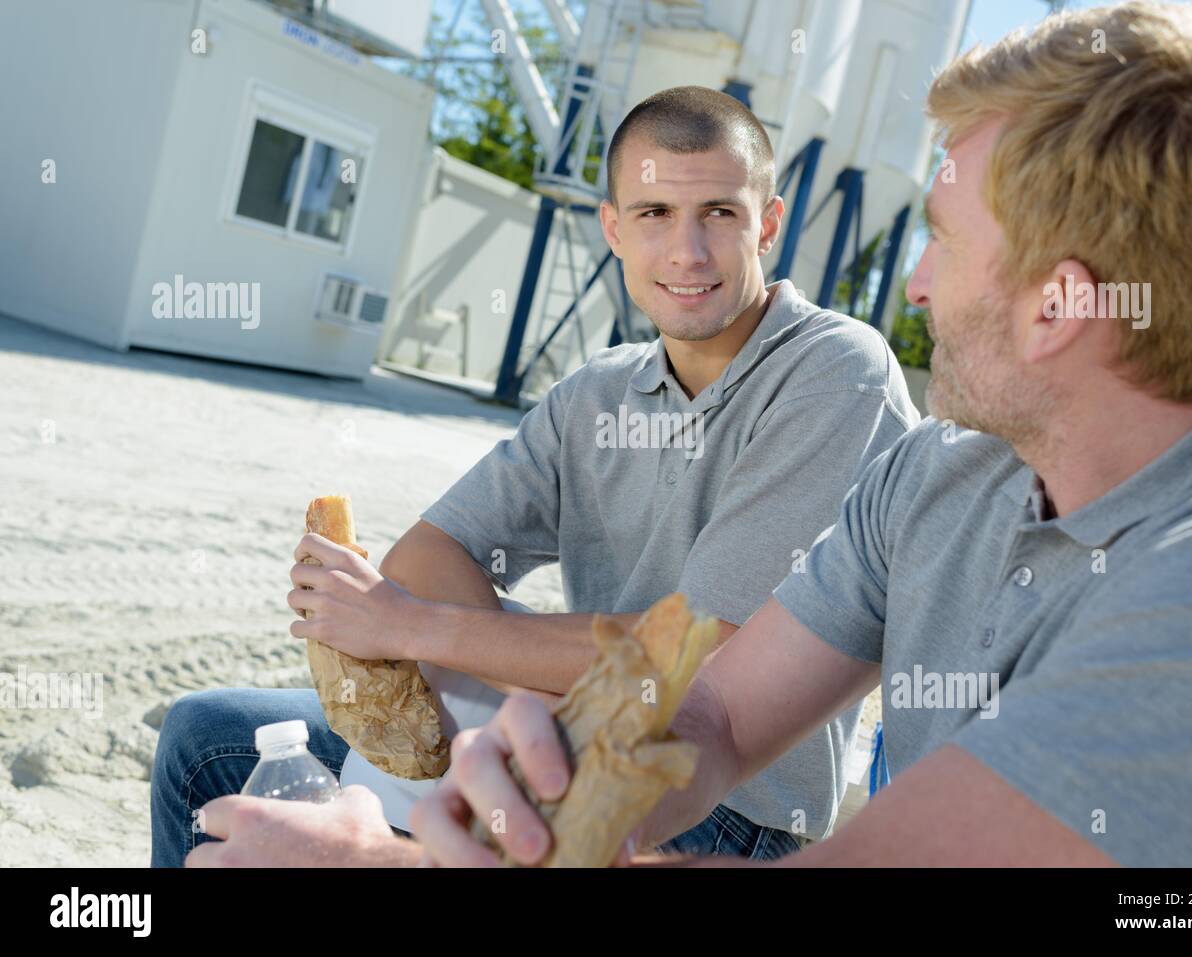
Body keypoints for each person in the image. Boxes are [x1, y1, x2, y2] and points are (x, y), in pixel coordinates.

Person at [406, 0, 1192, 868]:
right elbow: (718, 714)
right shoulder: (939, 471)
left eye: (941, 243)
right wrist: (573, 792)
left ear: (1058, 305)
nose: (914, 285)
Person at [159, 85, 919, 867]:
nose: (688, 253)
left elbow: (706, 661)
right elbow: (424, 558)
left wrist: (411, 627)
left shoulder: (835, 372)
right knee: (204, 738)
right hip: (560, 744)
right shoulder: (597, 391)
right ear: (614, 229)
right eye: (655, 214)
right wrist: (548, 699)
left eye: (719, 214)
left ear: (767, 223)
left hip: (720, 807)